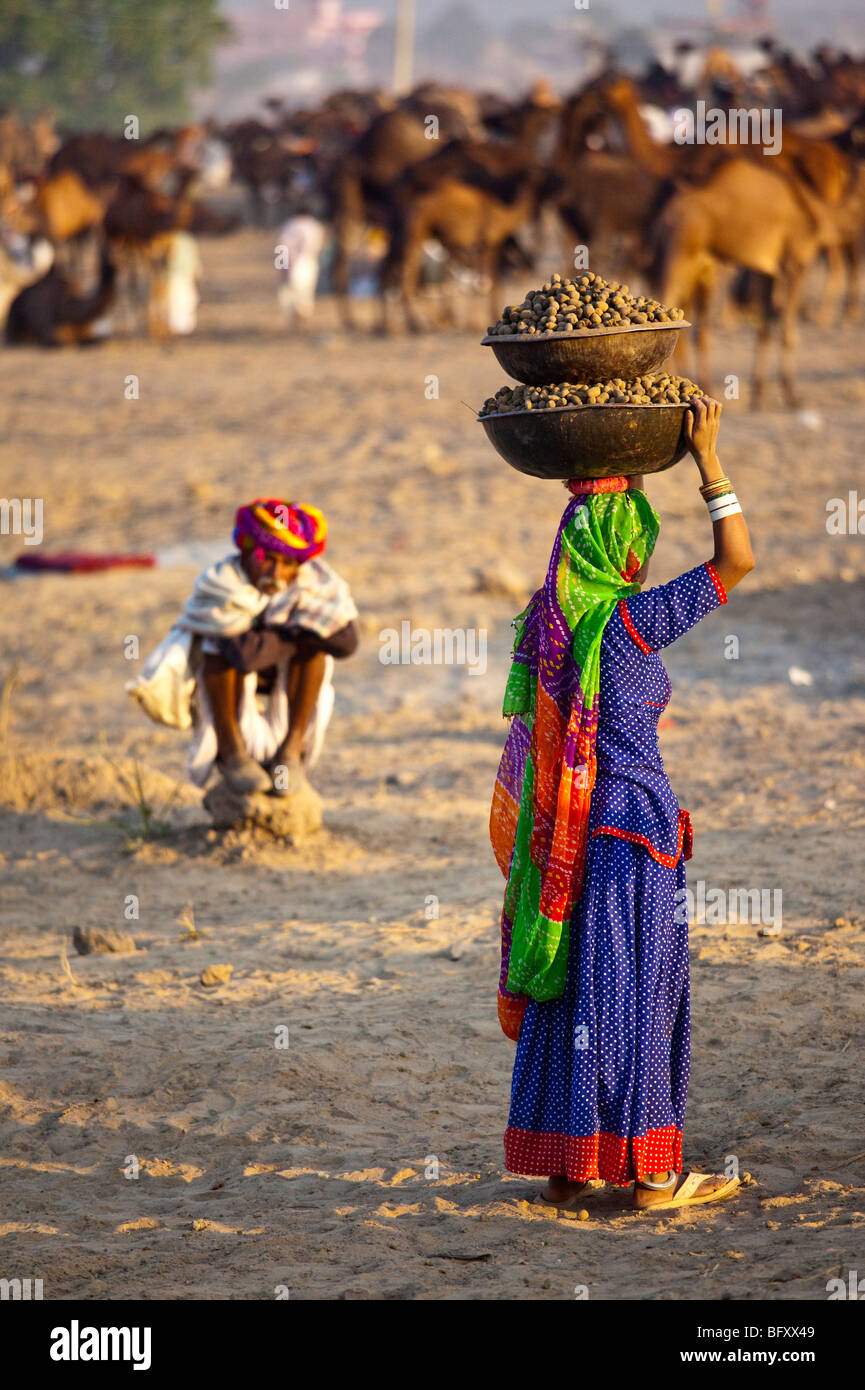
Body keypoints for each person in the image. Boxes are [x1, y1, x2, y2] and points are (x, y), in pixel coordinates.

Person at [490, 399, 754, 1212]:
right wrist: (706, 459)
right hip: (632, 831)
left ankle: (569, 1167)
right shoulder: (633, 622)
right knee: (636, 992)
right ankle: (650, 1176)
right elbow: (736, 561)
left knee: (575, 990)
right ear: (627, 552)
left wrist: (606, 480)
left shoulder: (547, 625)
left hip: (563, 839)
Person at [127, 498, 358, 797]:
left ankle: (291, 750)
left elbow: (346, 642)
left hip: (284, 681)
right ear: (246, 549)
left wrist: (281, 638)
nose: (276, 572)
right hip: (233, 684)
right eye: (267, 558)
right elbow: (247, 657)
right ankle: (232, 751)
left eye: (287, 563)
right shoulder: (222, 584)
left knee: (316, 652)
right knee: (216, 645)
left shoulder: (315, 585)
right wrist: (298, 633)